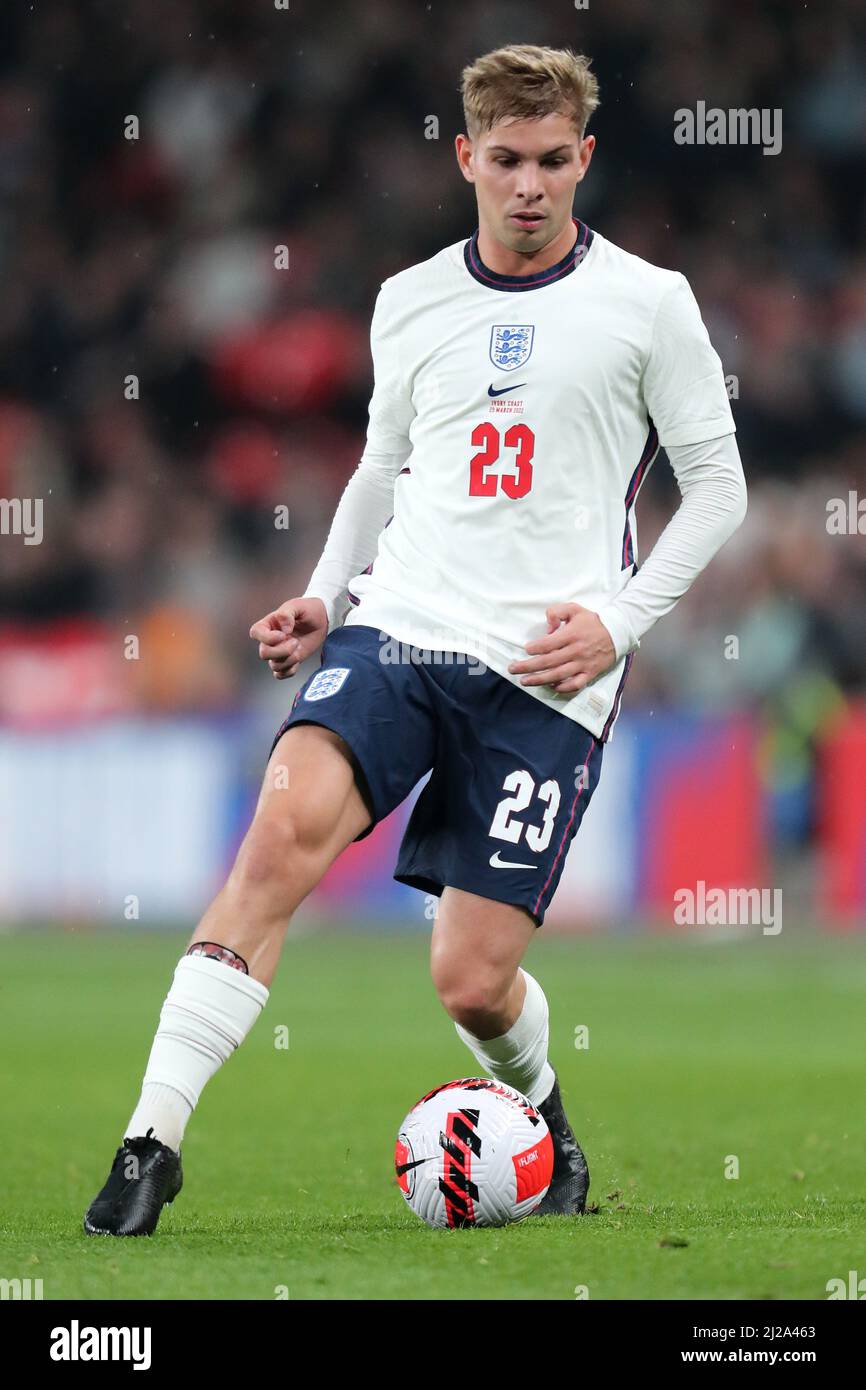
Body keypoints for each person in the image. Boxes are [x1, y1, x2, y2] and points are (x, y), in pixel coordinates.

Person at [84, 42, 747, 1236]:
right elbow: (379, 469)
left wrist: (617, 620)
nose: (530, 185)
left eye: (553, 161)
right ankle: (150, 1141)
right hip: (402, 626)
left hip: (546, 670)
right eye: (505, 161)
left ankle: (539, 1106)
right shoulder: (411, 299)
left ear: (583, 158)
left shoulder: (650, 304)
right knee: (279, 835)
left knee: (469, 978)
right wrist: (329, 597)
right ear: (465, 159)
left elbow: (718, 489)